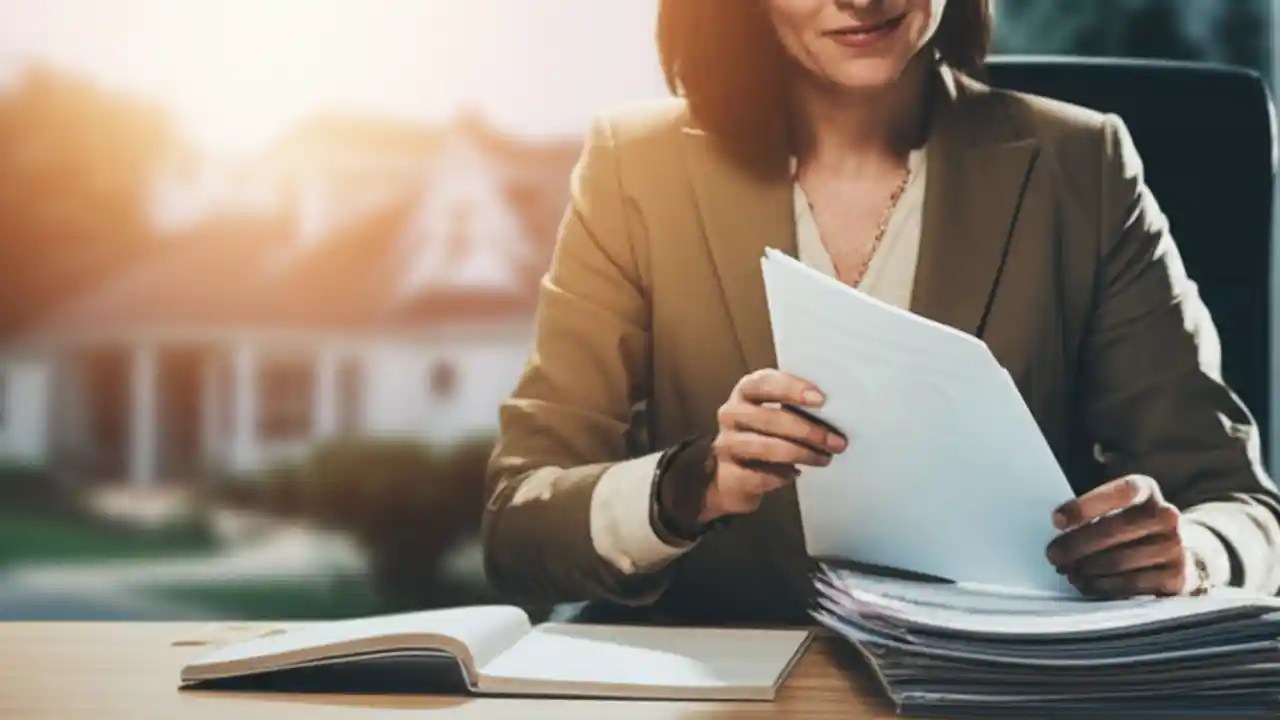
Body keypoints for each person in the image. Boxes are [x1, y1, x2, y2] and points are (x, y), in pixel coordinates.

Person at [483, 0, 1280, 623]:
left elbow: (1246, 511)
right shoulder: (635, 168)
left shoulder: (1084, 165)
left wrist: (1193, 556)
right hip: (725, 692)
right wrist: (686, 487)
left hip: (993, 691)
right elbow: (518, 529)